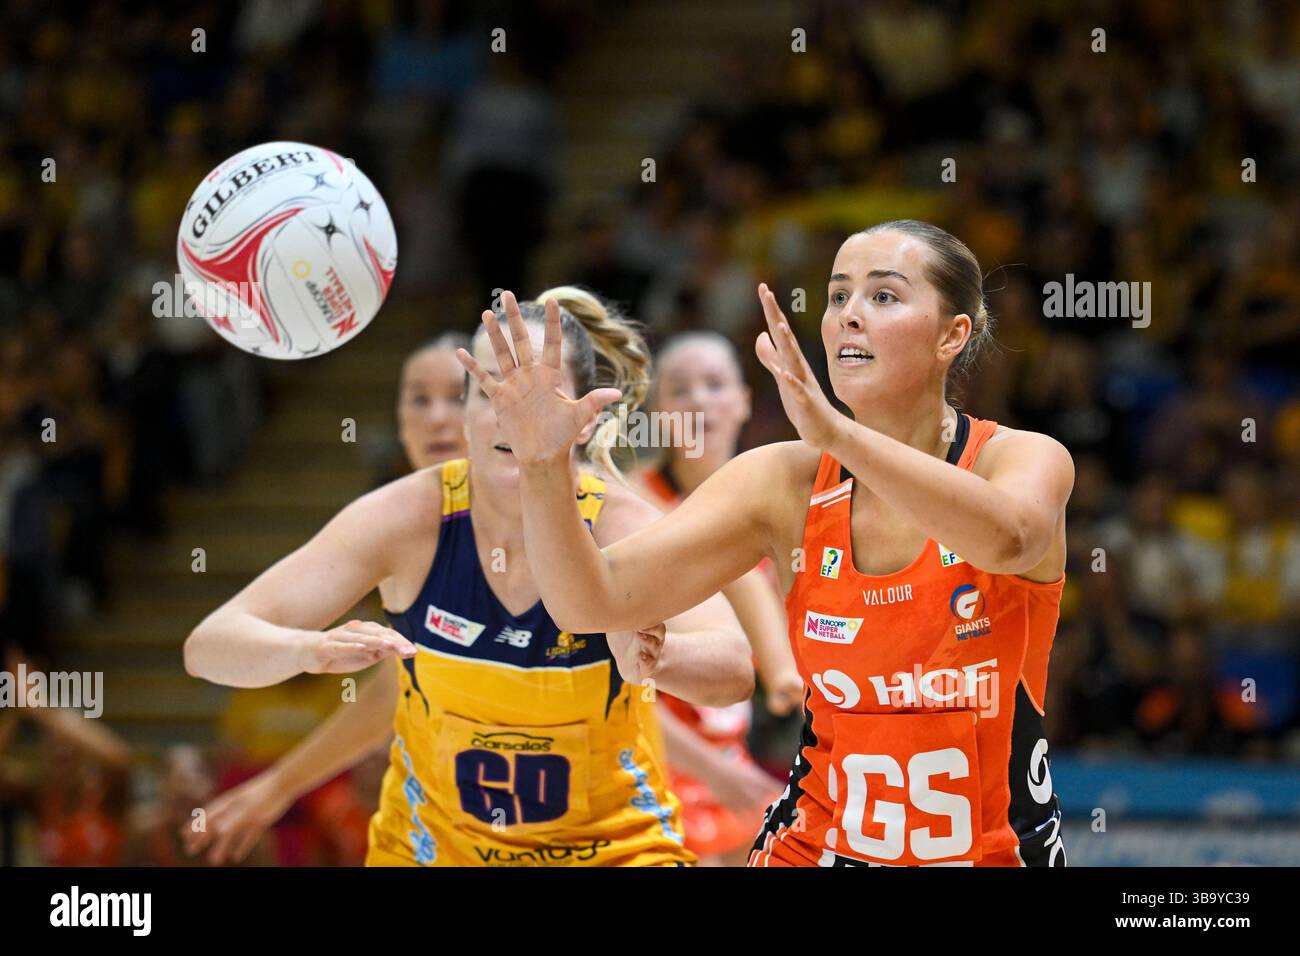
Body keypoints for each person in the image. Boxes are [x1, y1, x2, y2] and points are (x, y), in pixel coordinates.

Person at [459, 221, 1074, 867]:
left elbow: (1010, 538)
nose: (849, 317)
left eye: (883, 296)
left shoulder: (1022, 458)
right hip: (815, 850)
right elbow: (592, 601)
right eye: (838, 297)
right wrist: (542, 465)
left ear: (953, 334)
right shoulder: (781, 482)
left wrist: (838, 435)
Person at [183, 288, 753, 867]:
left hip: (611, 851)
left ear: (584, 422)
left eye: (542, 393)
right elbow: (209, 648)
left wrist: (660, 656)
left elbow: (733, 669)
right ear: (467, 415)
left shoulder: (622, 524)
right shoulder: (408, 518)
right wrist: (309, 649)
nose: (518, 413)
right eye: (493, 391)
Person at [633, 332, 798, 865]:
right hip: (642, 758)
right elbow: (606, 673)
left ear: (744, 400)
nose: (699, 400)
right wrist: (716, 772)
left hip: (732, 762)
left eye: (715, 384)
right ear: (657, 409)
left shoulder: (779, 502)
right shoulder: (629, 505)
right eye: (679, 389)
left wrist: (789, 680)